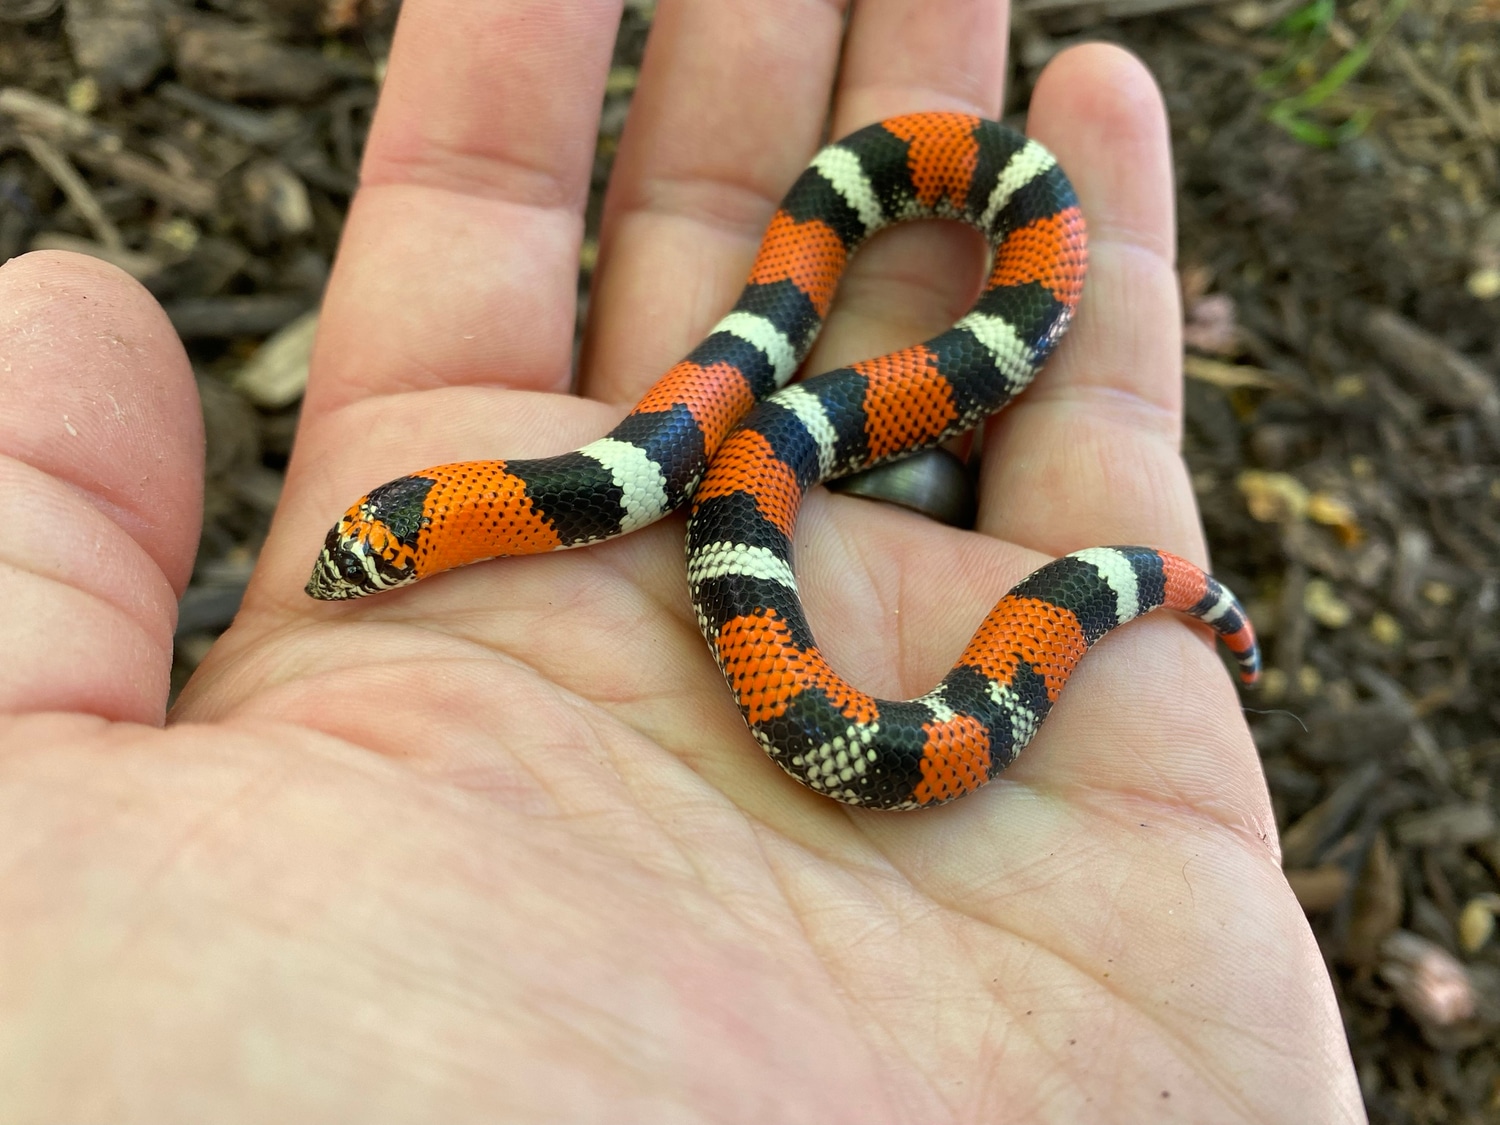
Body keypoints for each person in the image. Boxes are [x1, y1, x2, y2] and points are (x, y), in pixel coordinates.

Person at [0, 0, 1365, 1118]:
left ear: (442, 519)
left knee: (783, 410)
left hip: (769, 492)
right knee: (758, 423)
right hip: (737, 525)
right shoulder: (649, 473)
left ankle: (1140, 586)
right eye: (370, 557)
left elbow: (767, 402)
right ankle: (1138, 586)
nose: (347, 565)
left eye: (370, 552)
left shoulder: (679, 461)